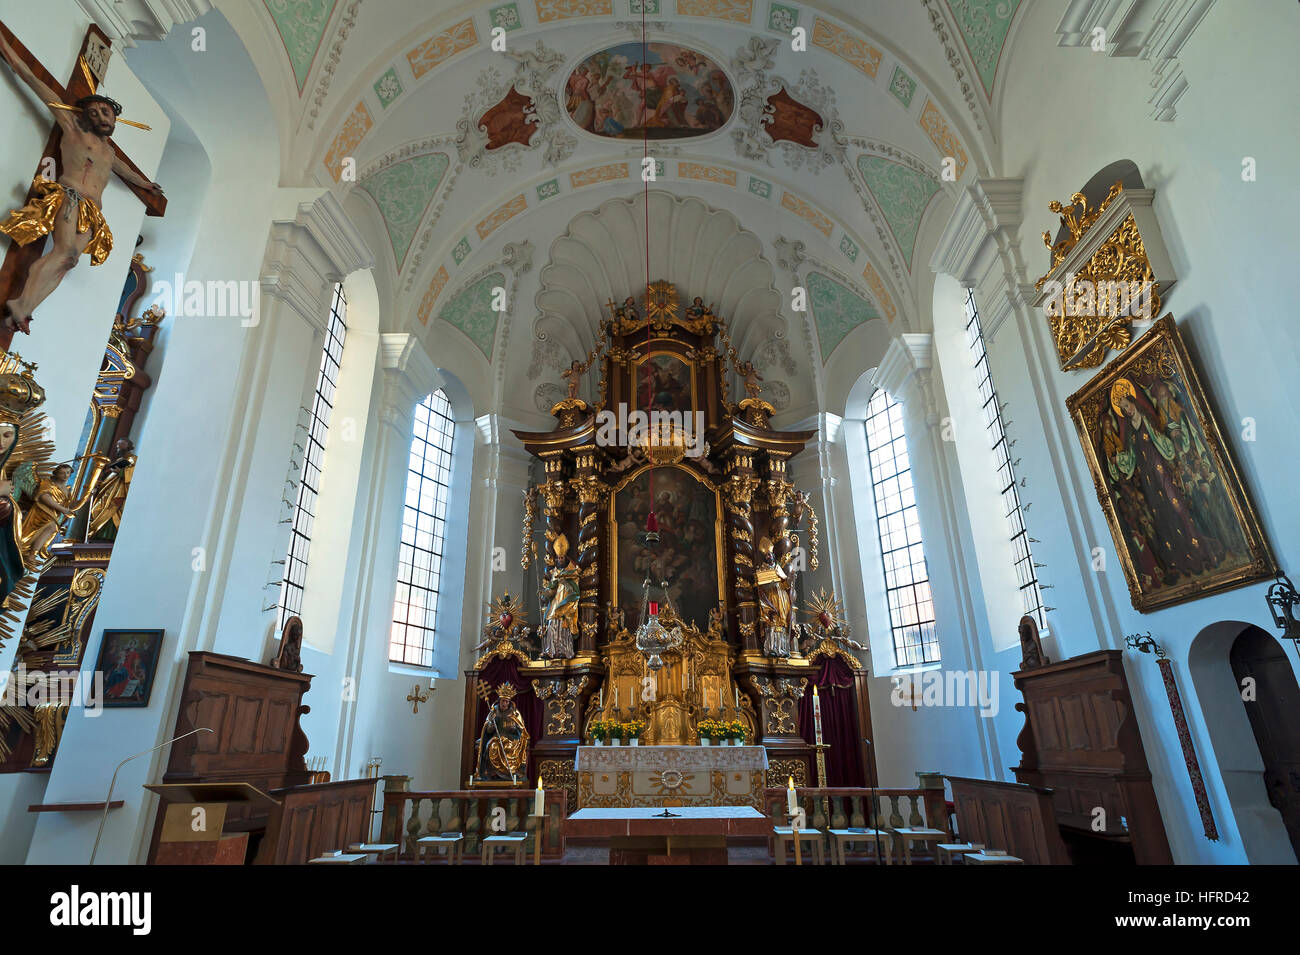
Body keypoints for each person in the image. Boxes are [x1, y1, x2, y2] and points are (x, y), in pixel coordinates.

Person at [0, 31, 164, 334]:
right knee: (64, 251)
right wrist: (9, 52)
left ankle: (26, 309)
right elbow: (34, 82)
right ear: (84, 115)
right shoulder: (73, 129)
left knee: (70, 260)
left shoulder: (109, 151)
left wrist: (147, 185)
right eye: (97, 111)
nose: (103, 116)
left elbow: (127, 173)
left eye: (108, 112)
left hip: (92, 211)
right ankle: (20, 303)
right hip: (70, 197)